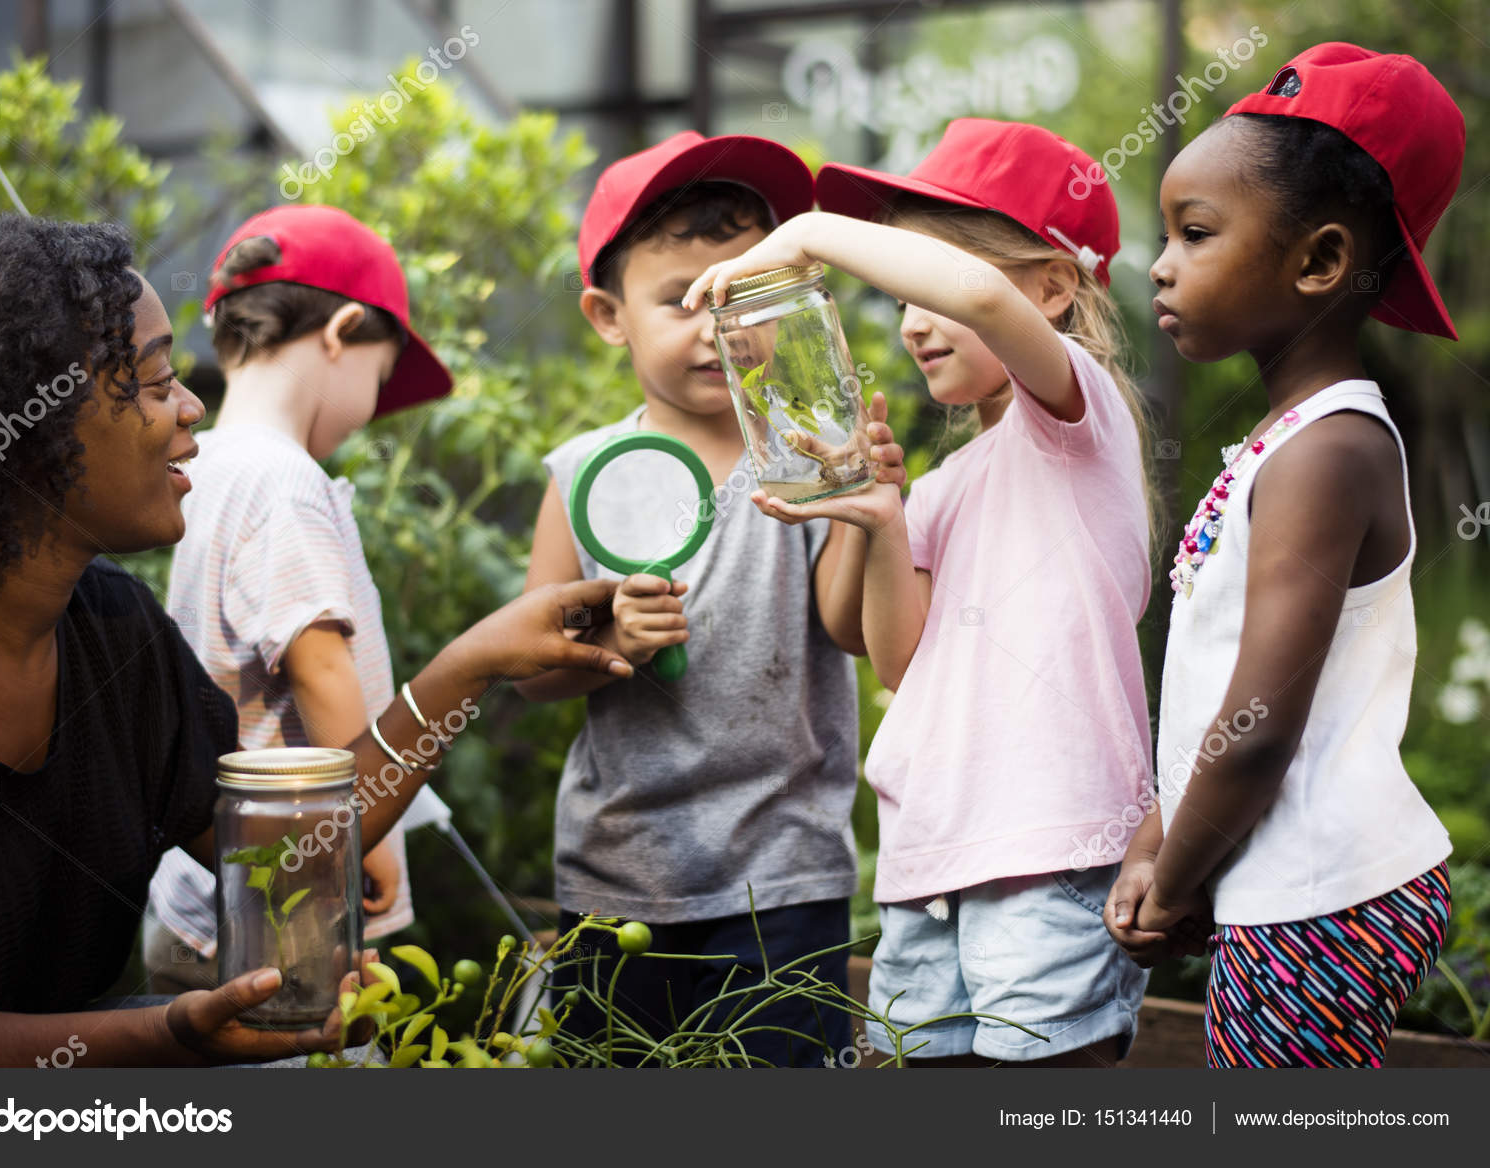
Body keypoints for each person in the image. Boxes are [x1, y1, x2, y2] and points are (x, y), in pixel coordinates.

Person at [0, 215, 631, 1066]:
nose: (192, 405)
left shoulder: (118, 637)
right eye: (157, 378)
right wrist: (165, 1032)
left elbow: (285, 855)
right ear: (36, 418)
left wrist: (472, 667)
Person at [686, 118, 1157, 1066]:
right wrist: (883, 521)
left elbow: (979, 297)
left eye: (921, 278)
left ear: (1053, 288)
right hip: (927, 863)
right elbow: (898, 658)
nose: (911, 318)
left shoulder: (1080, 420)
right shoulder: (940, 486)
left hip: (1048, 856)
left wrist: (811, 234)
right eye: (905, 290)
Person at [1103, 44, 1460, 1068]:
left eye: (1195, 233)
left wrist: (1172, 883)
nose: (1160, 264)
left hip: (1321, 894)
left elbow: (1260, 725)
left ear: (1317, 262)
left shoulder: (1329, 451)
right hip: (1285, 886)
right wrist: (1159, 833)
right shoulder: (1288, 440)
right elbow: (1221, 686)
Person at [517, 132, 898, 1067]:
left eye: (737, 293)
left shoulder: (806, 456)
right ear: (609, 315)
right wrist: (606, 634)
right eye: (678, 301)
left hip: (784, 877)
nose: (712, 325)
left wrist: (860, 510)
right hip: (618, 879)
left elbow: (847, 630)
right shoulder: (583, 474)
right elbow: (530, 668)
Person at [143, 205, 445, 991]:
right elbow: (320, 671)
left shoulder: (202, 464)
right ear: (343, 331)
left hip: (210, 885)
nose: (373, 408)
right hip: (284, 903)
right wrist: (367, 832)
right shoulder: (284, 482)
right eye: (381, 380)